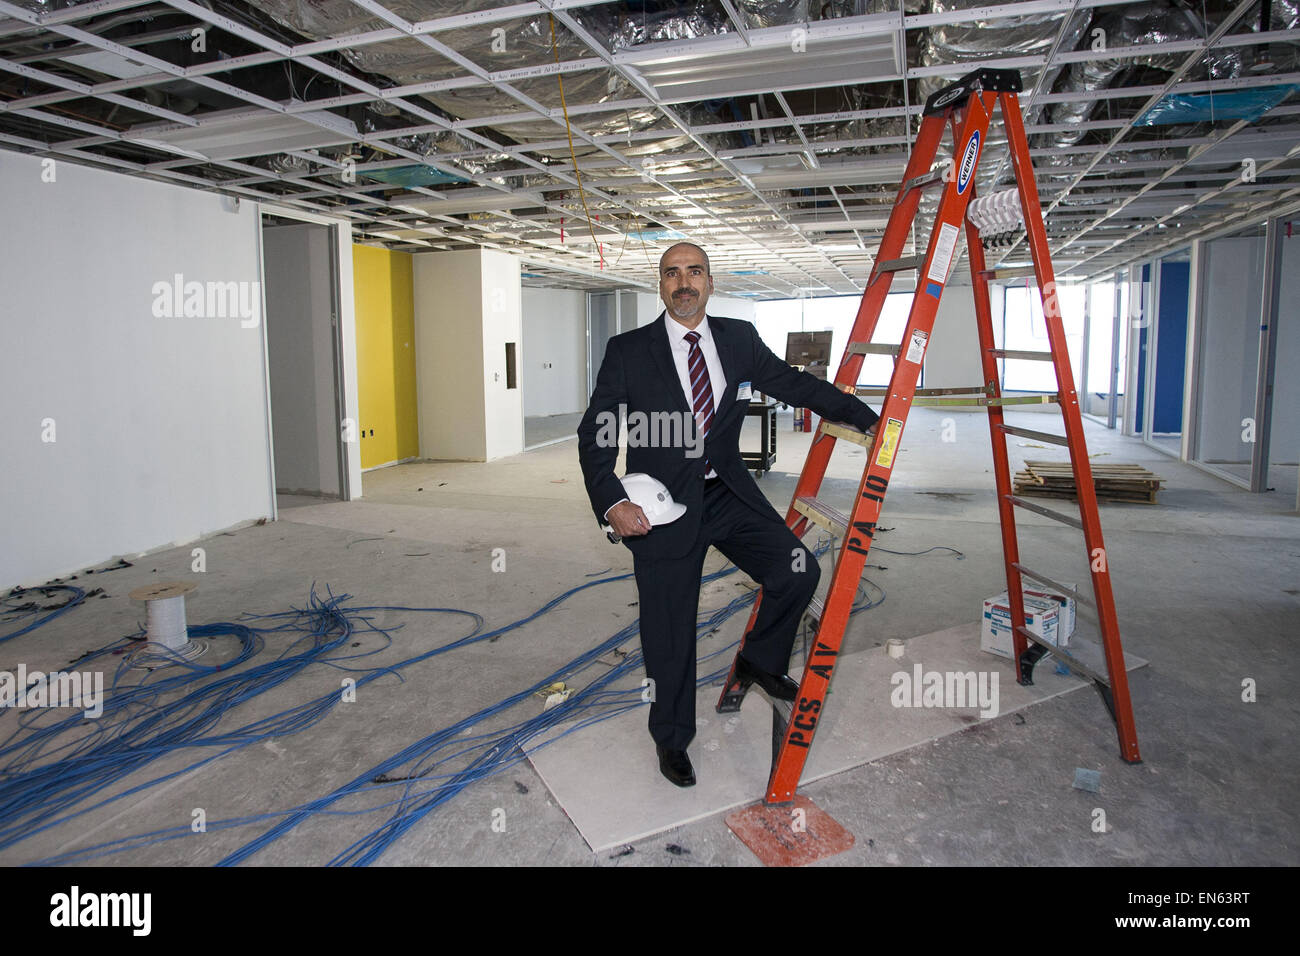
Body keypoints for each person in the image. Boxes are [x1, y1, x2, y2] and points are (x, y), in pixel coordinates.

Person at [576, 242, 879, 788]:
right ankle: (672, 739)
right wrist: (612, 501)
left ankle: (760, 659)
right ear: (660, 285)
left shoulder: (737, 338)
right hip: (663, 507)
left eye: (694, 272)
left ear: (710, 282)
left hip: (727, 494)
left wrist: (864, 416)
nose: (683, 282)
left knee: (796, 570)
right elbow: (596, 433)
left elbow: (794, 384)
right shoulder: (628, 350)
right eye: (672, 274)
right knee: (669, 631)